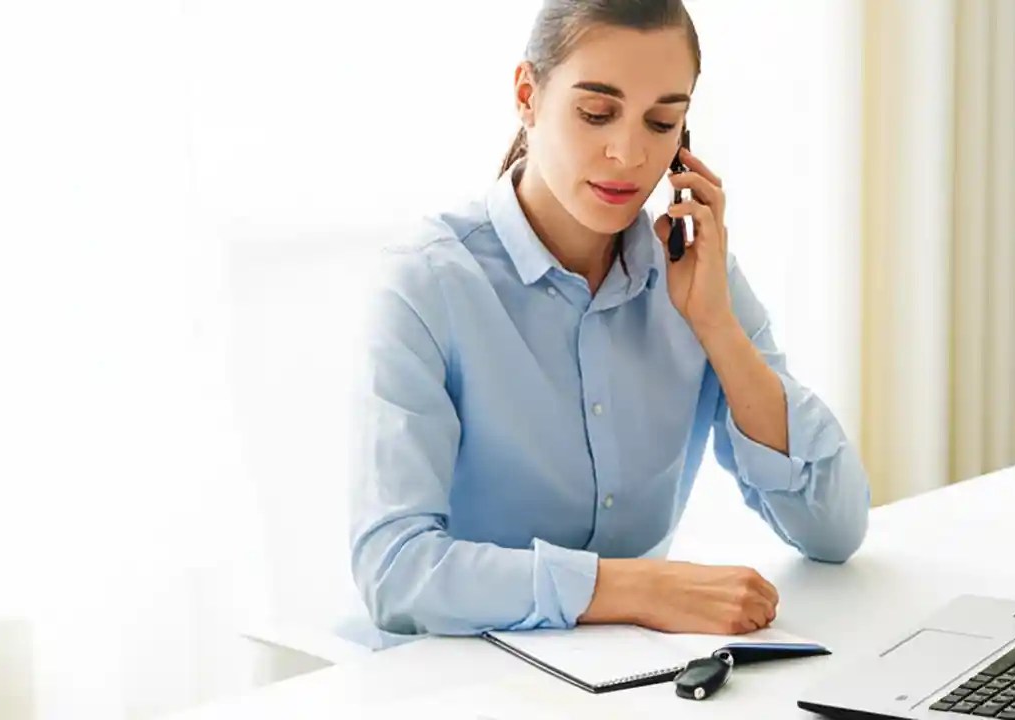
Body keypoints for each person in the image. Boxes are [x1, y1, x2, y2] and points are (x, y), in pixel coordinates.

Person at [349, 0, 869, 640]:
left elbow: (835, 529)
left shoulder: (696, 276)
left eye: (661, 122)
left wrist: (717, 326)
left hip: (626, 679)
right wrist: (633, 588)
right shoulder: (428, 285)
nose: (628, 153)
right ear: (527, 96)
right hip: (453, 679)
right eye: (596, 113)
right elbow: (396, 571)